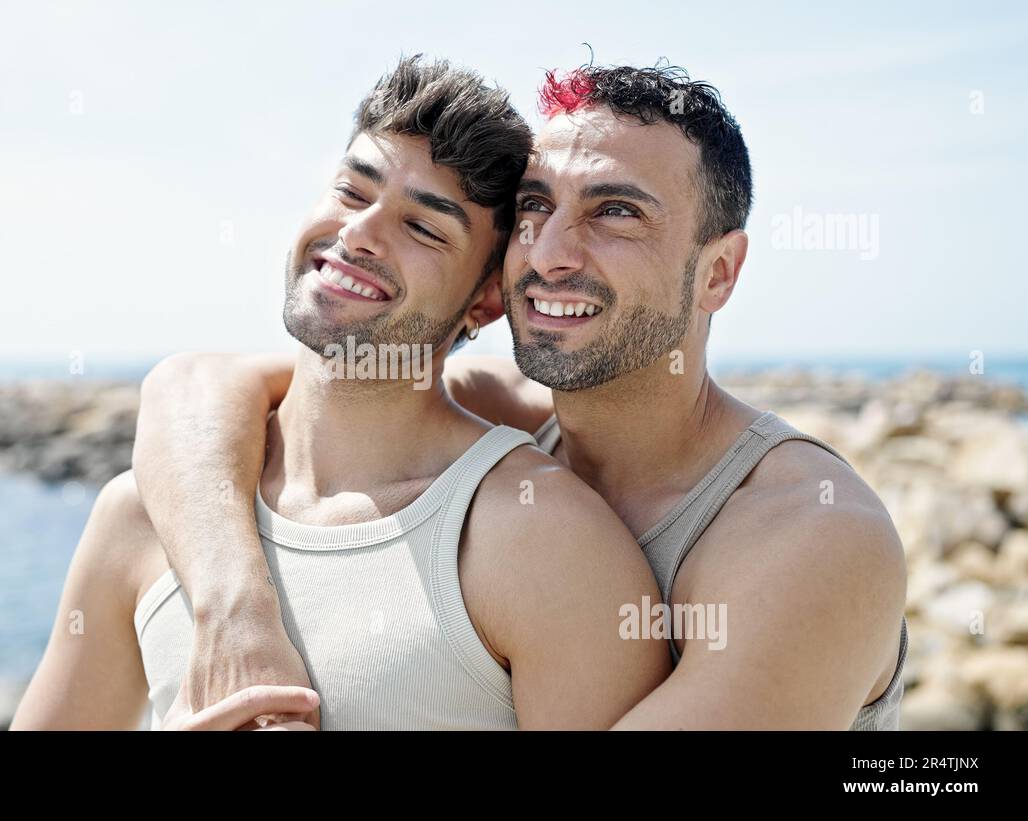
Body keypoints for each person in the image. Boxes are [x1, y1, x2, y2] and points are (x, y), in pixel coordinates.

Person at [132, 61, 908, 730]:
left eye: (615, 212)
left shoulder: (811, 534)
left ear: (718, 273)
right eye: (535, 207)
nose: (550, 252)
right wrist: (235, 609)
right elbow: (192, 388)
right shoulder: (509, 419)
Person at [11, 55, 669, 731]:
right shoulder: (142, 513)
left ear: (487, 299)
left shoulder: (547, 543)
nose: (358, 234)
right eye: (353, 192)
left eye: (423, 228)